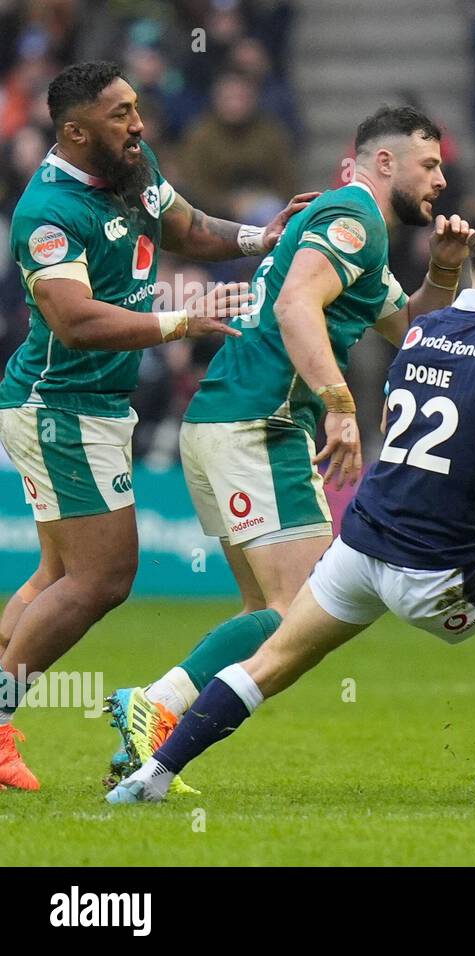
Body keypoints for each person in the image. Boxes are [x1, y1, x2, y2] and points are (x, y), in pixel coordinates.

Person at [106, 215, 475, 805]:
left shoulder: (424, 333)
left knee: (270, 662)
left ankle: (152, 777)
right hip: (437, 569)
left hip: (359, 547)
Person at [103, 104, 474, 794]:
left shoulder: (355, 232)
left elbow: (415, 326)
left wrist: (445, 270)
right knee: (305, 606)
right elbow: (295, 306)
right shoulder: (353, 220)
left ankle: (150, 726)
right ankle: (154, 706)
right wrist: (339, 405)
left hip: (220, 421)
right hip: (260, 425)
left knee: (268, 613)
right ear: (383, 162)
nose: (442, 180)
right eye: (430, 164)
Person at [0, 61, 314, 791]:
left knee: (55, 575)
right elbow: (73, 322)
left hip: (90, 406)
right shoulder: (49, 211)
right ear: (76, 130)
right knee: (101, 578)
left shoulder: (132, 165)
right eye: (119, 114)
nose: (137, 123)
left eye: (135, 107)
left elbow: (185, 226)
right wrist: (179, 321)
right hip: (60, 406)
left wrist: (258, 239)